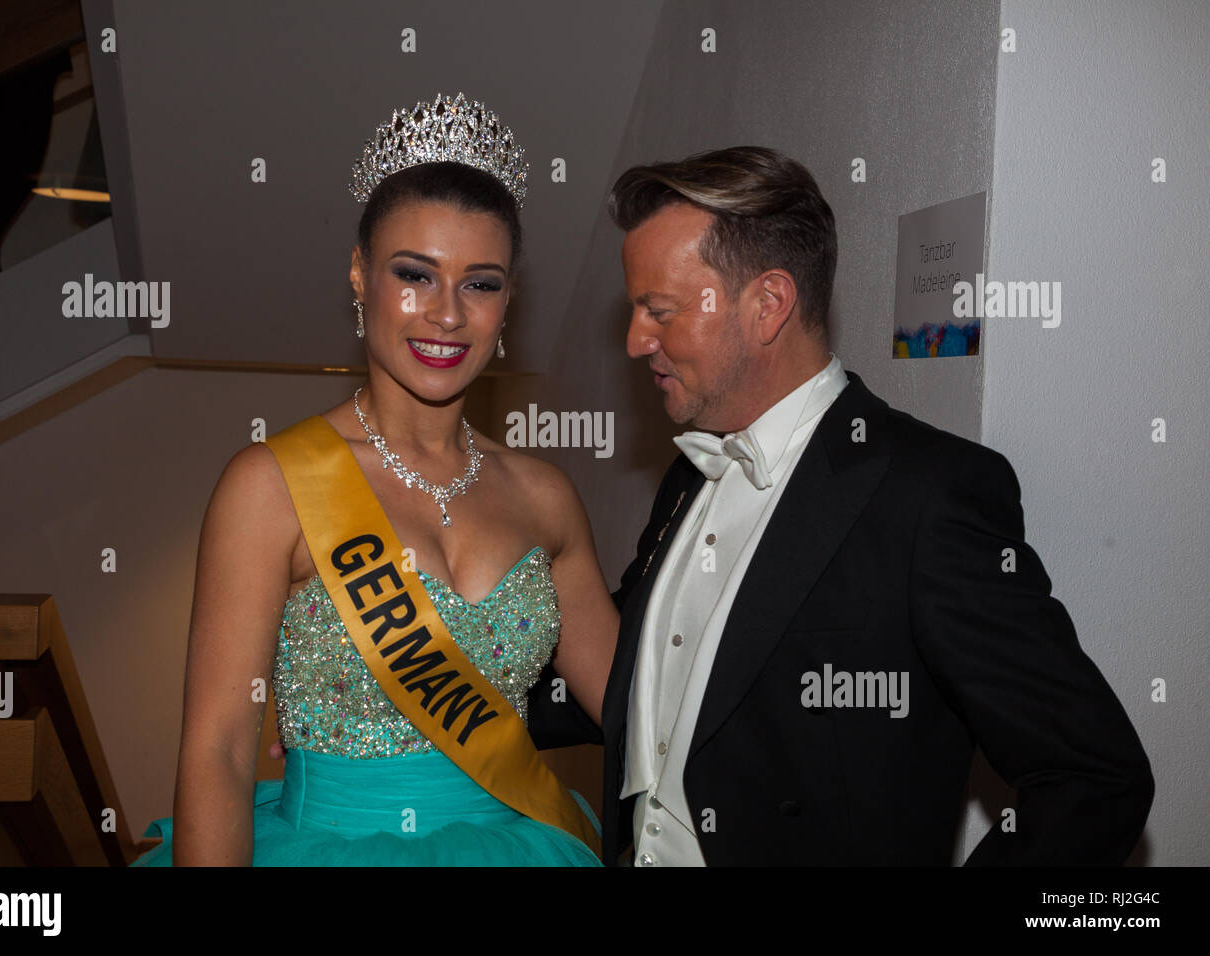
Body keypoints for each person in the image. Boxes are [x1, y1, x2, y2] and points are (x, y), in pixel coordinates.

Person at [582, 145, 1153, 865]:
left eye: (659, 311)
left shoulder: (928, 495)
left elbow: (1095, 779)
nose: (636, 341)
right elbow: (633, 670)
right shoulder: (688, 474)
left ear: (768, 305)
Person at [133, 93, 616, 867]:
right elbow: (219, 751)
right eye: (415, 275)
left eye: (481, 283)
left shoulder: (544, 496)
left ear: (509, 302)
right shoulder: (269, 486)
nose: (448, 314)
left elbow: (640, 711)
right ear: (360, 276)